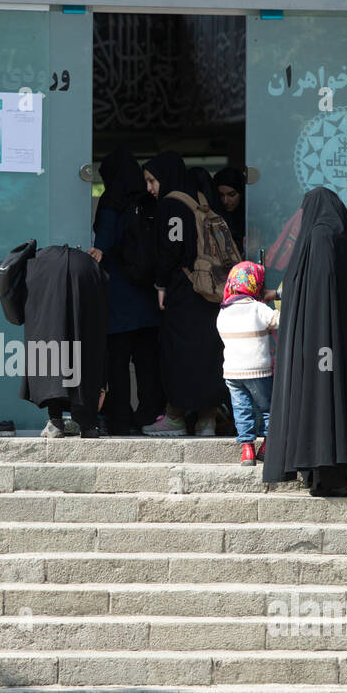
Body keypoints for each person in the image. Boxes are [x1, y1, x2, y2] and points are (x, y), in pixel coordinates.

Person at [262, 187, 347, 496]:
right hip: (341, 340)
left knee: (320, 396)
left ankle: (324, 470)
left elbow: (317, 289)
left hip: (318, 338)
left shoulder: (318, 235)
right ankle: (339, 473)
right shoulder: (345, 235)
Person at [140, 151, 226, 437]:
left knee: (178, 354)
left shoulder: (171, 205)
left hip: (183, 292)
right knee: (208, 354)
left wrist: (161, 285)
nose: (150, 188)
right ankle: (207, 420)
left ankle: (175, 416)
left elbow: (170, 251)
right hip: (209, 291)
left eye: (152, 181)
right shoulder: (202, 200)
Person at [90, 148, 163, 435]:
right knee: (147, 364)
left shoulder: (112, 200)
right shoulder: (148, 200)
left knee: (118, 364)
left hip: (119, 296)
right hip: (147, 294)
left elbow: (103, 243)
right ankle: (150, 416)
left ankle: (120, 418)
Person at [20, 244, 108, 437]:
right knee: (86, 341)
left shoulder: (35, 264)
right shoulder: (85, 263)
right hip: (86, 271)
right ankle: (87, 424)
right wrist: (102, 384)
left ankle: (55, 420)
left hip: (47, 275)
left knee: (50, 346)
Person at [218, 260, 278, 465]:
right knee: (268, 408)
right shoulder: (258, 309)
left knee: (242, 409)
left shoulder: (223, 311)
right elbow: (280, 320)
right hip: (258, 372)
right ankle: (268, 445)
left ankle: (247, 451)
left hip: (233, 373)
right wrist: (279, 296)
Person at [213, 166, 249, 248]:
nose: (225, 201)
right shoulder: (214, 218)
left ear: (241, 193)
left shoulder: (250, 219)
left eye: (231, 194)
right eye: (221, 195)